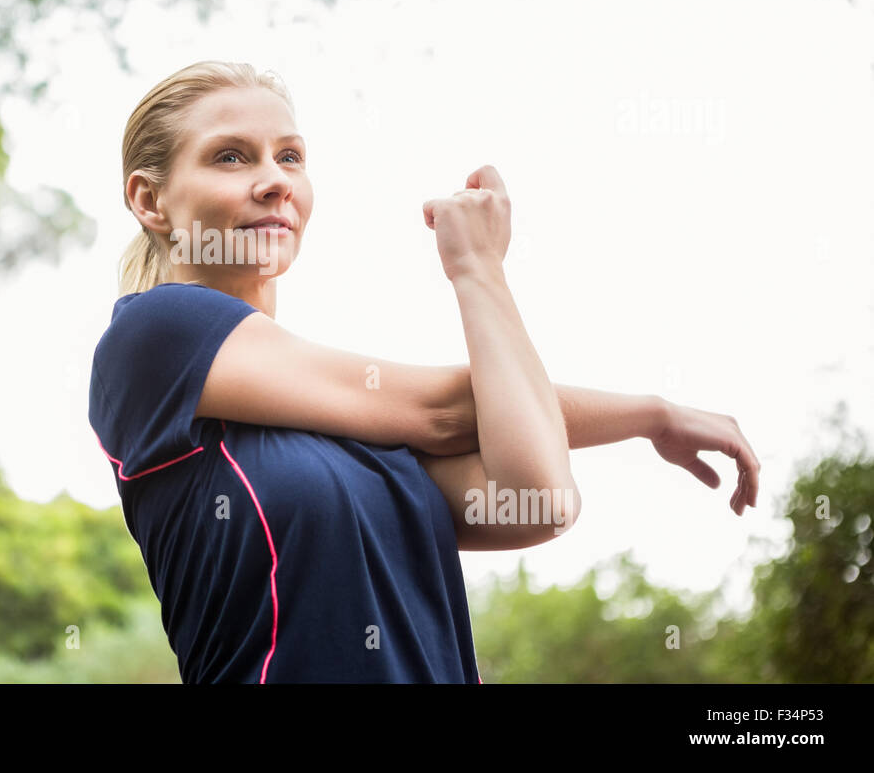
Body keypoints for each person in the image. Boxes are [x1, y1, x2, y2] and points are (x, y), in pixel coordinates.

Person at [88, 60, 760, 683]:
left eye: (289, 156)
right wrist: (475, 267)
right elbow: (440, 409)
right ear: (150, 201)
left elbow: (541, 496)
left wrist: (653, 416)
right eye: (230, 156)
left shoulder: (369, 446)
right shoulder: (154, 334)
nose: (276, 179)